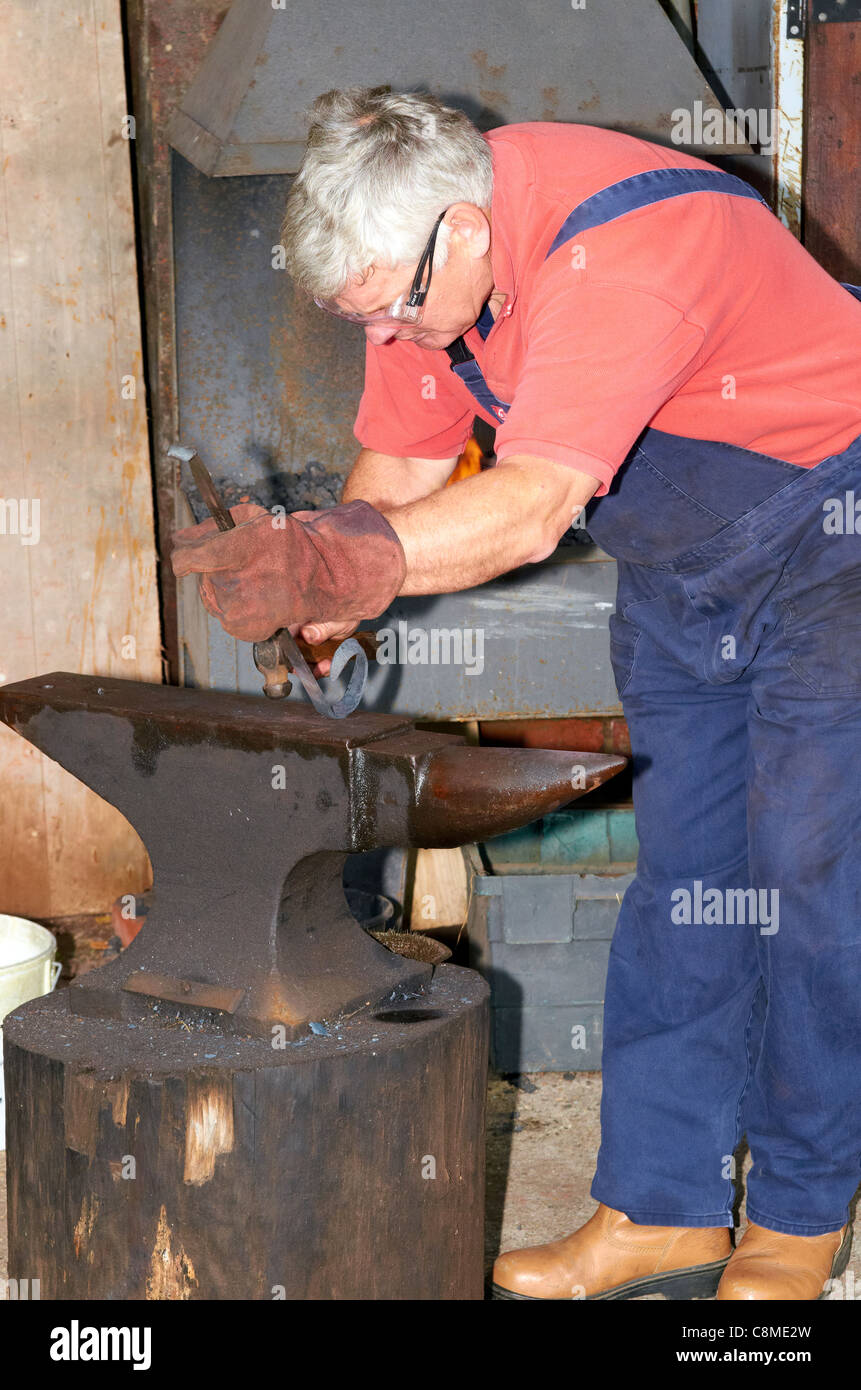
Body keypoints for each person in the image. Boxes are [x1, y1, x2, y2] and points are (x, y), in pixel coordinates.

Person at [171, 87, 861, 1301]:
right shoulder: (431, 270)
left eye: (396, 307)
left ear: (469, 231)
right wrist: (325, 584)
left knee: (810, 876)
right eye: (365, 318)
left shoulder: (625, 255)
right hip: (685, 563)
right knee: (689, 882)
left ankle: (801, 1216)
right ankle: (662, 1208)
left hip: (834, 537)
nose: (397, 337)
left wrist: (355, 560)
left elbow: (534, 503)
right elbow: (409, 467)